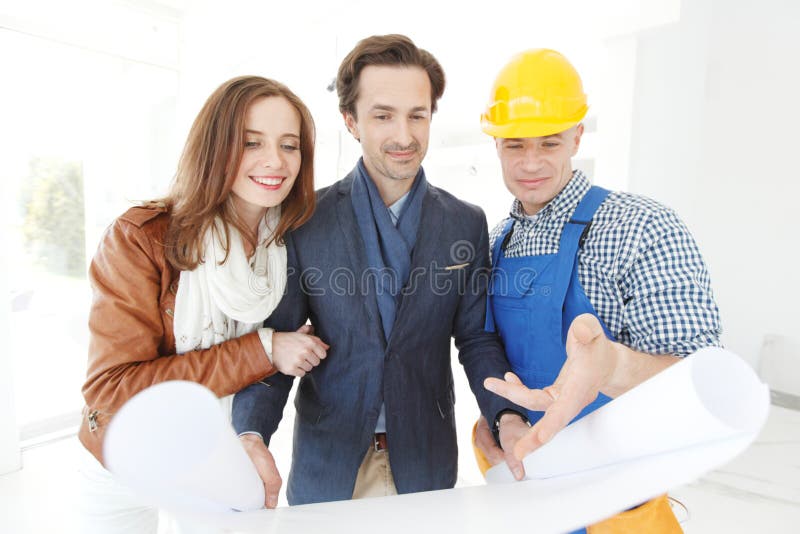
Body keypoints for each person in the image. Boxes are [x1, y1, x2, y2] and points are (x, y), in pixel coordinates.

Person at [232, 34, 528, 506]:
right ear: (350, 121)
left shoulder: (465, 222)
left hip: (426, 459)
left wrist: (506, 415)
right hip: (330, 460)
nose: (404, 136)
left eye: (418, 115)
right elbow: (278, 342)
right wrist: (250, 432)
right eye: (383, 115)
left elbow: (476, 339)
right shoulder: (305, 220)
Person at [472, 49, 722, 532]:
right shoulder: (496, 242)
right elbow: (488, 353)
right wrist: (499, 421)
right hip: (527, 493)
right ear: (496, 143)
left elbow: (703, 379)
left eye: (549, 143)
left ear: (577, 136)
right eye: (514, 145)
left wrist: (613, 365)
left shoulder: (641, 227)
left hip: (618, 503)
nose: (530, 163)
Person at [78, 75, 328, 533]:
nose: (274, 161)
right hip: (125, 456)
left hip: (216, 453)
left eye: (289, 145)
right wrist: (263, 349)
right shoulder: (141, 238)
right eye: (251, 143)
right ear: (216, 147)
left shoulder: (289, 241)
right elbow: (113, 389)